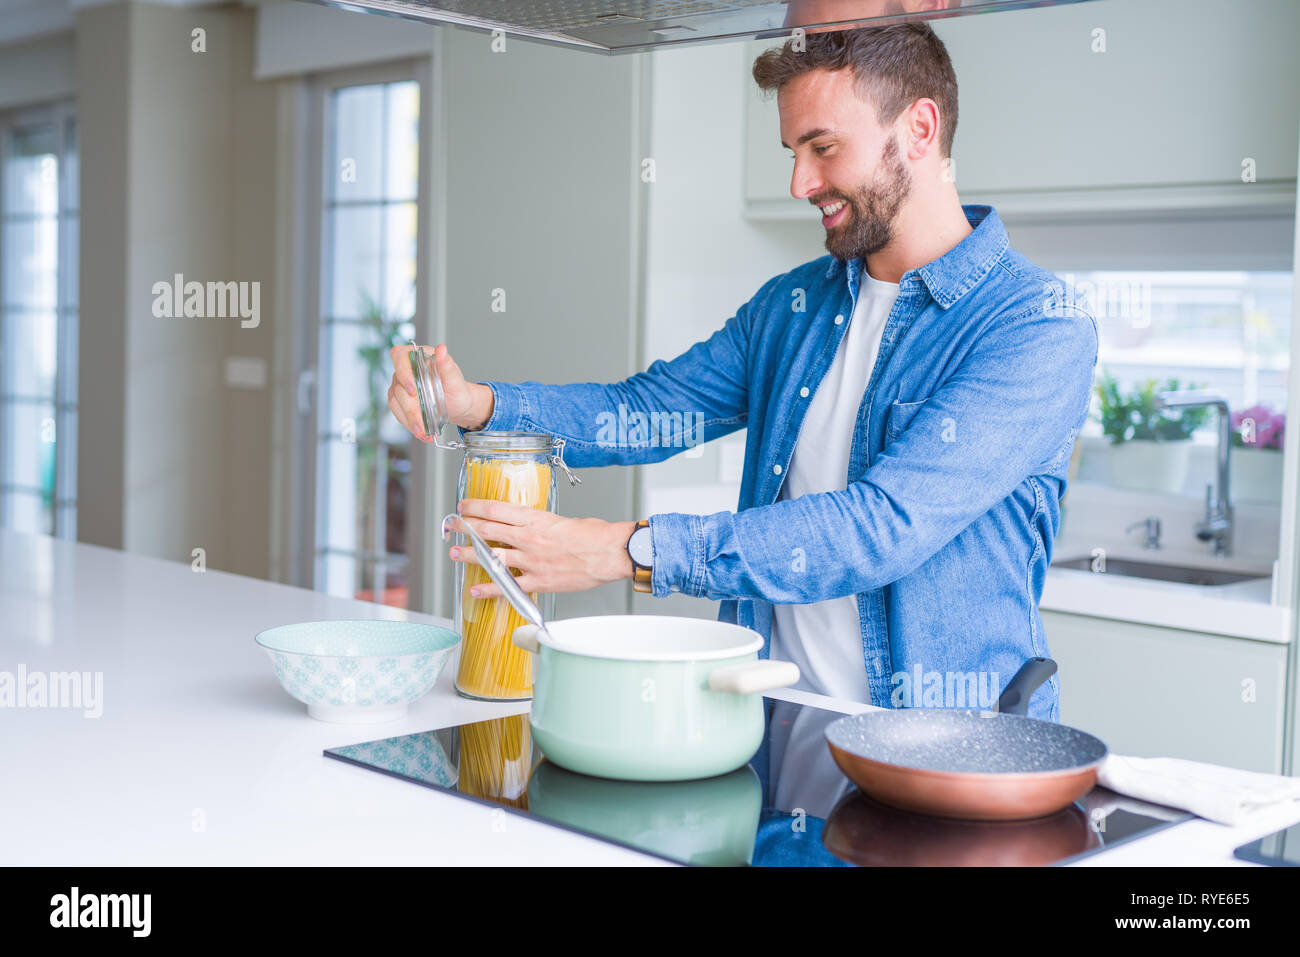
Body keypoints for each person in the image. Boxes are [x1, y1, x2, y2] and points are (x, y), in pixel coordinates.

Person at [387, 23, 1097, 721]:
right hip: (776, 727)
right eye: (793, 152)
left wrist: (623, 549)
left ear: (919, 128)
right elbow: (647, 409)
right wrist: (477, 403)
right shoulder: (794, 307)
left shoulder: (1035, 326)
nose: (800, 182)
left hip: (948, 759)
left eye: (823, 148)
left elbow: (879, 528)